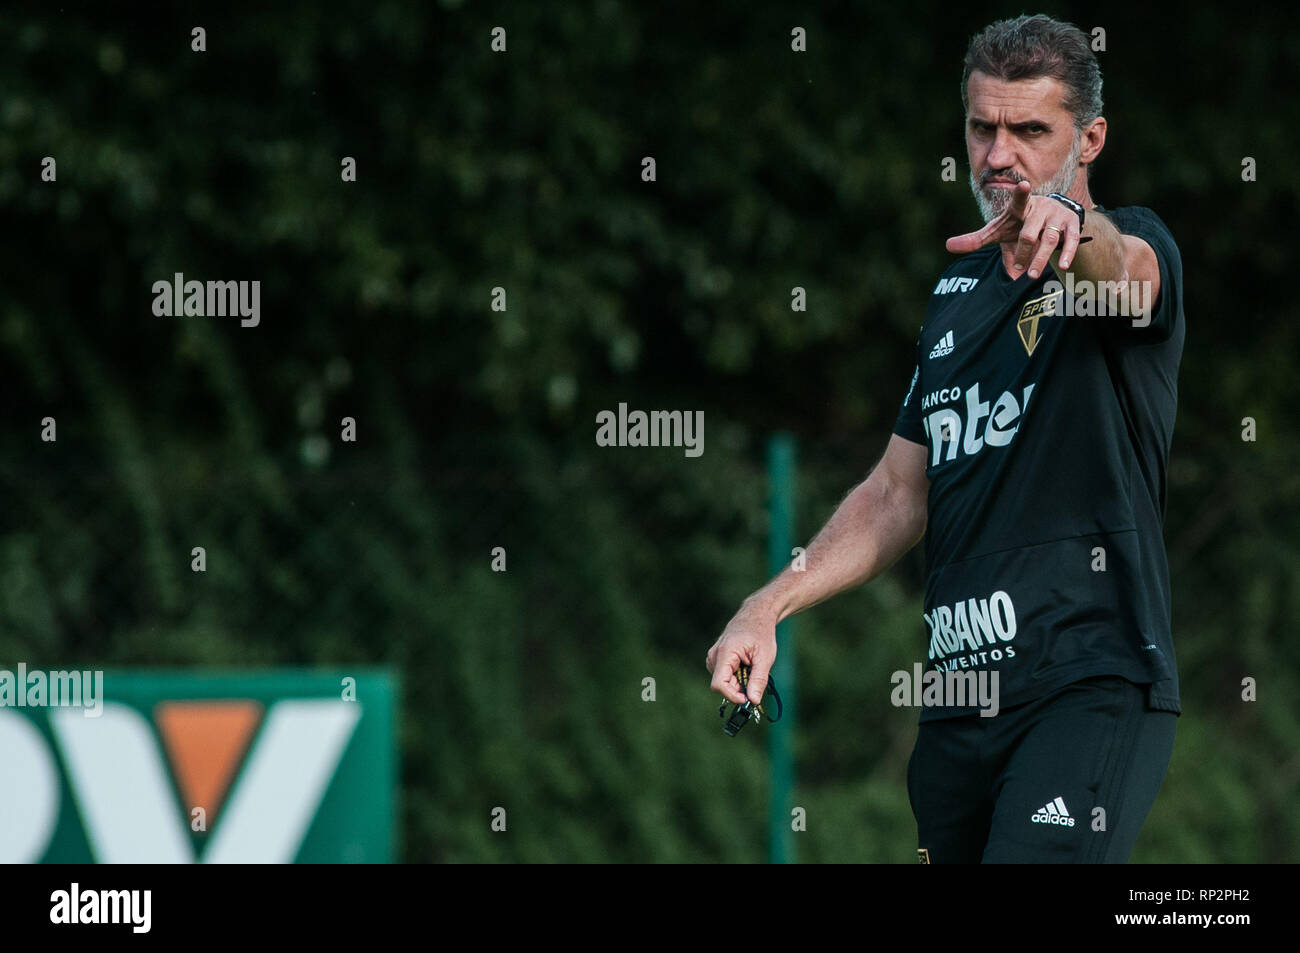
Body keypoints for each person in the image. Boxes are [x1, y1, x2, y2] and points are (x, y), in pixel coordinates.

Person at [706, 13, 1184, 863]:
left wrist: (1080, 236)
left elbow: (1129, 275)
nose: (1000, 154)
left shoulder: (1131, 253)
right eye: (982, 126)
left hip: (1086, 684)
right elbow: (897, 493)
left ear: (1092, 137)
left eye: (1031, 130)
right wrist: (767, 606)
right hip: (959, 699)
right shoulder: (955, 296)